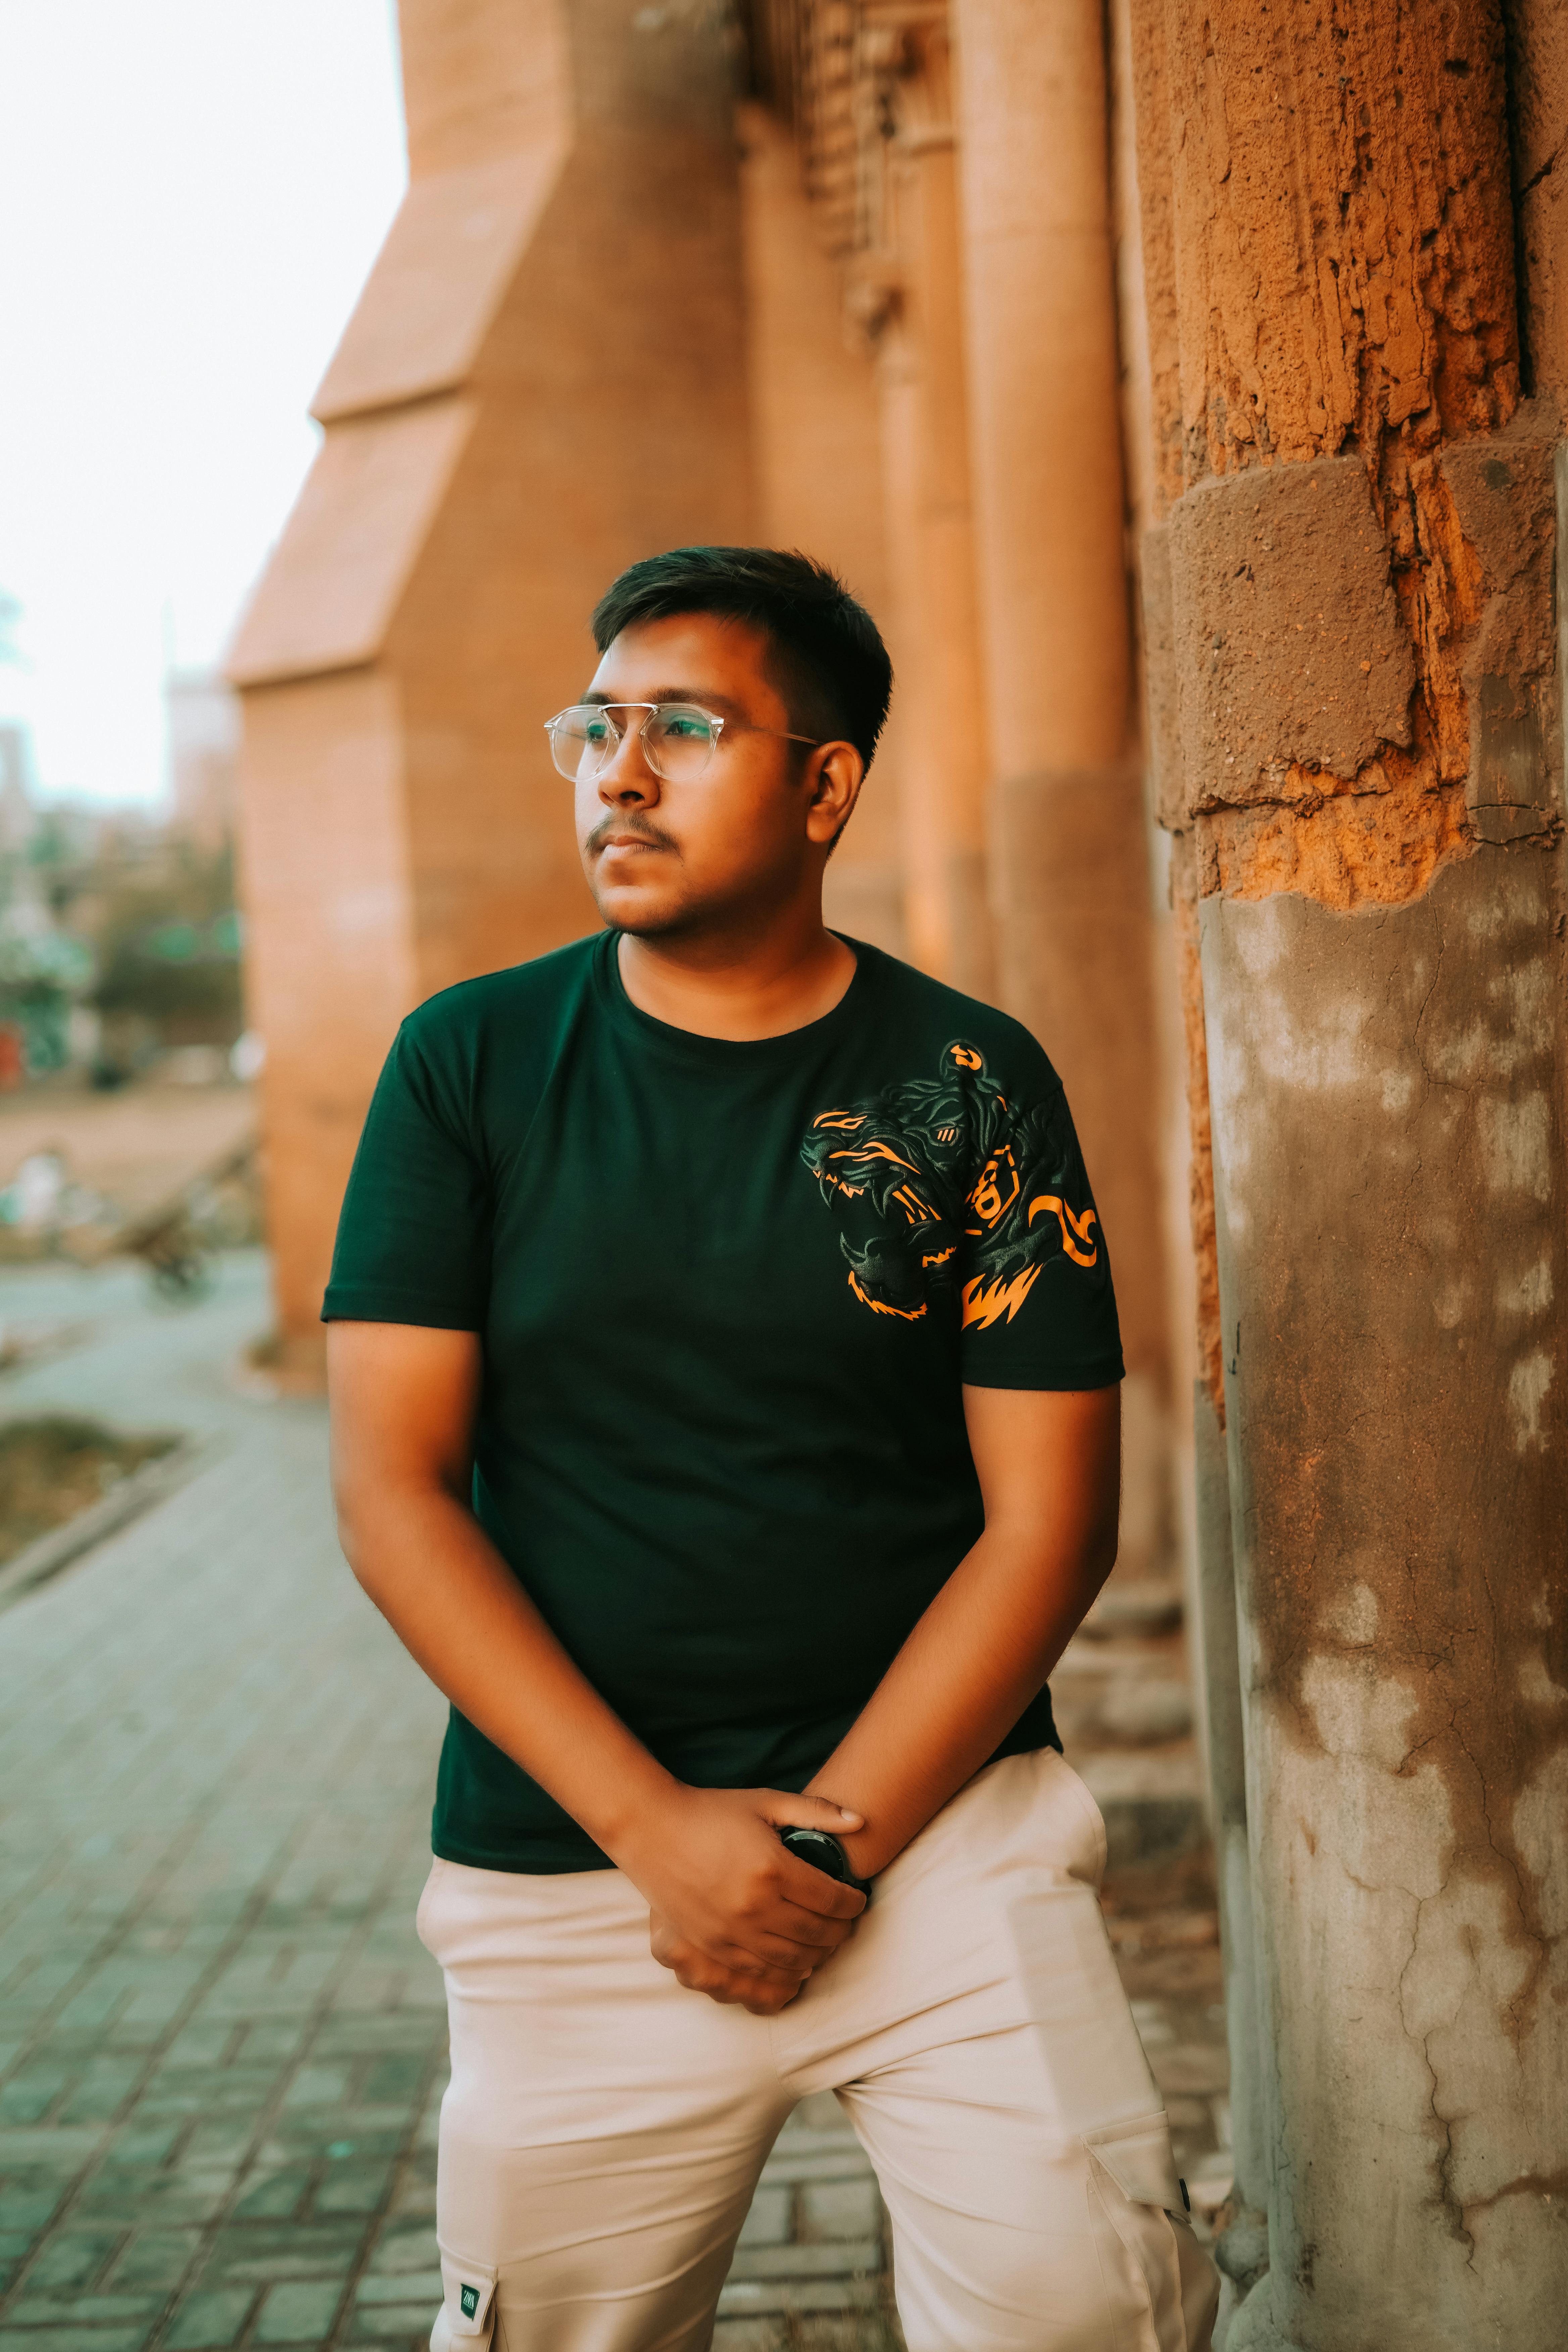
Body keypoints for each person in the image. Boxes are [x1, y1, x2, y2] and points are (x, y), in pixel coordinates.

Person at [325, 546, 1218, 2352]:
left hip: (940, 1837)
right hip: (577, 1864)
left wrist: (828, 1859)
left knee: (1090, 2306)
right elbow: (393, 1489)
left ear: (825, 783)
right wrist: (658, 1835)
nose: (618, 773)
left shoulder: (970, 1085)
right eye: (595, 727)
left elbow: (1051, 1524)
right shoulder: (468, 1069)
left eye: (683, 727)